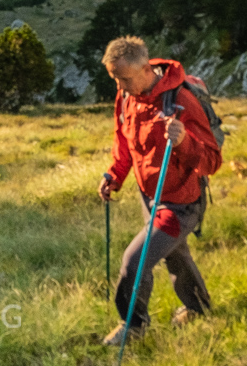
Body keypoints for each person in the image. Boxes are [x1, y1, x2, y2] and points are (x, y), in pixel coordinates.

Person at [96, 35, 222, 345]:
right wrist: (115, 175)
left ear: (145, 69)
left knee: (134, 261)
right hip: (149, 196)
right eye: (115, 79)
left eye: (124, 79)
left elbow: (212, 161)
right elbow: (124, 141)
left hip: (181, 203)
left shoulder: (182, 102)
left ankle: (133, 326)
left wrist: (183, 142)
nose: (120, 86)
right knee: (175, 254)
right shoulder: (127, 97)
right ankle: (199, 309)